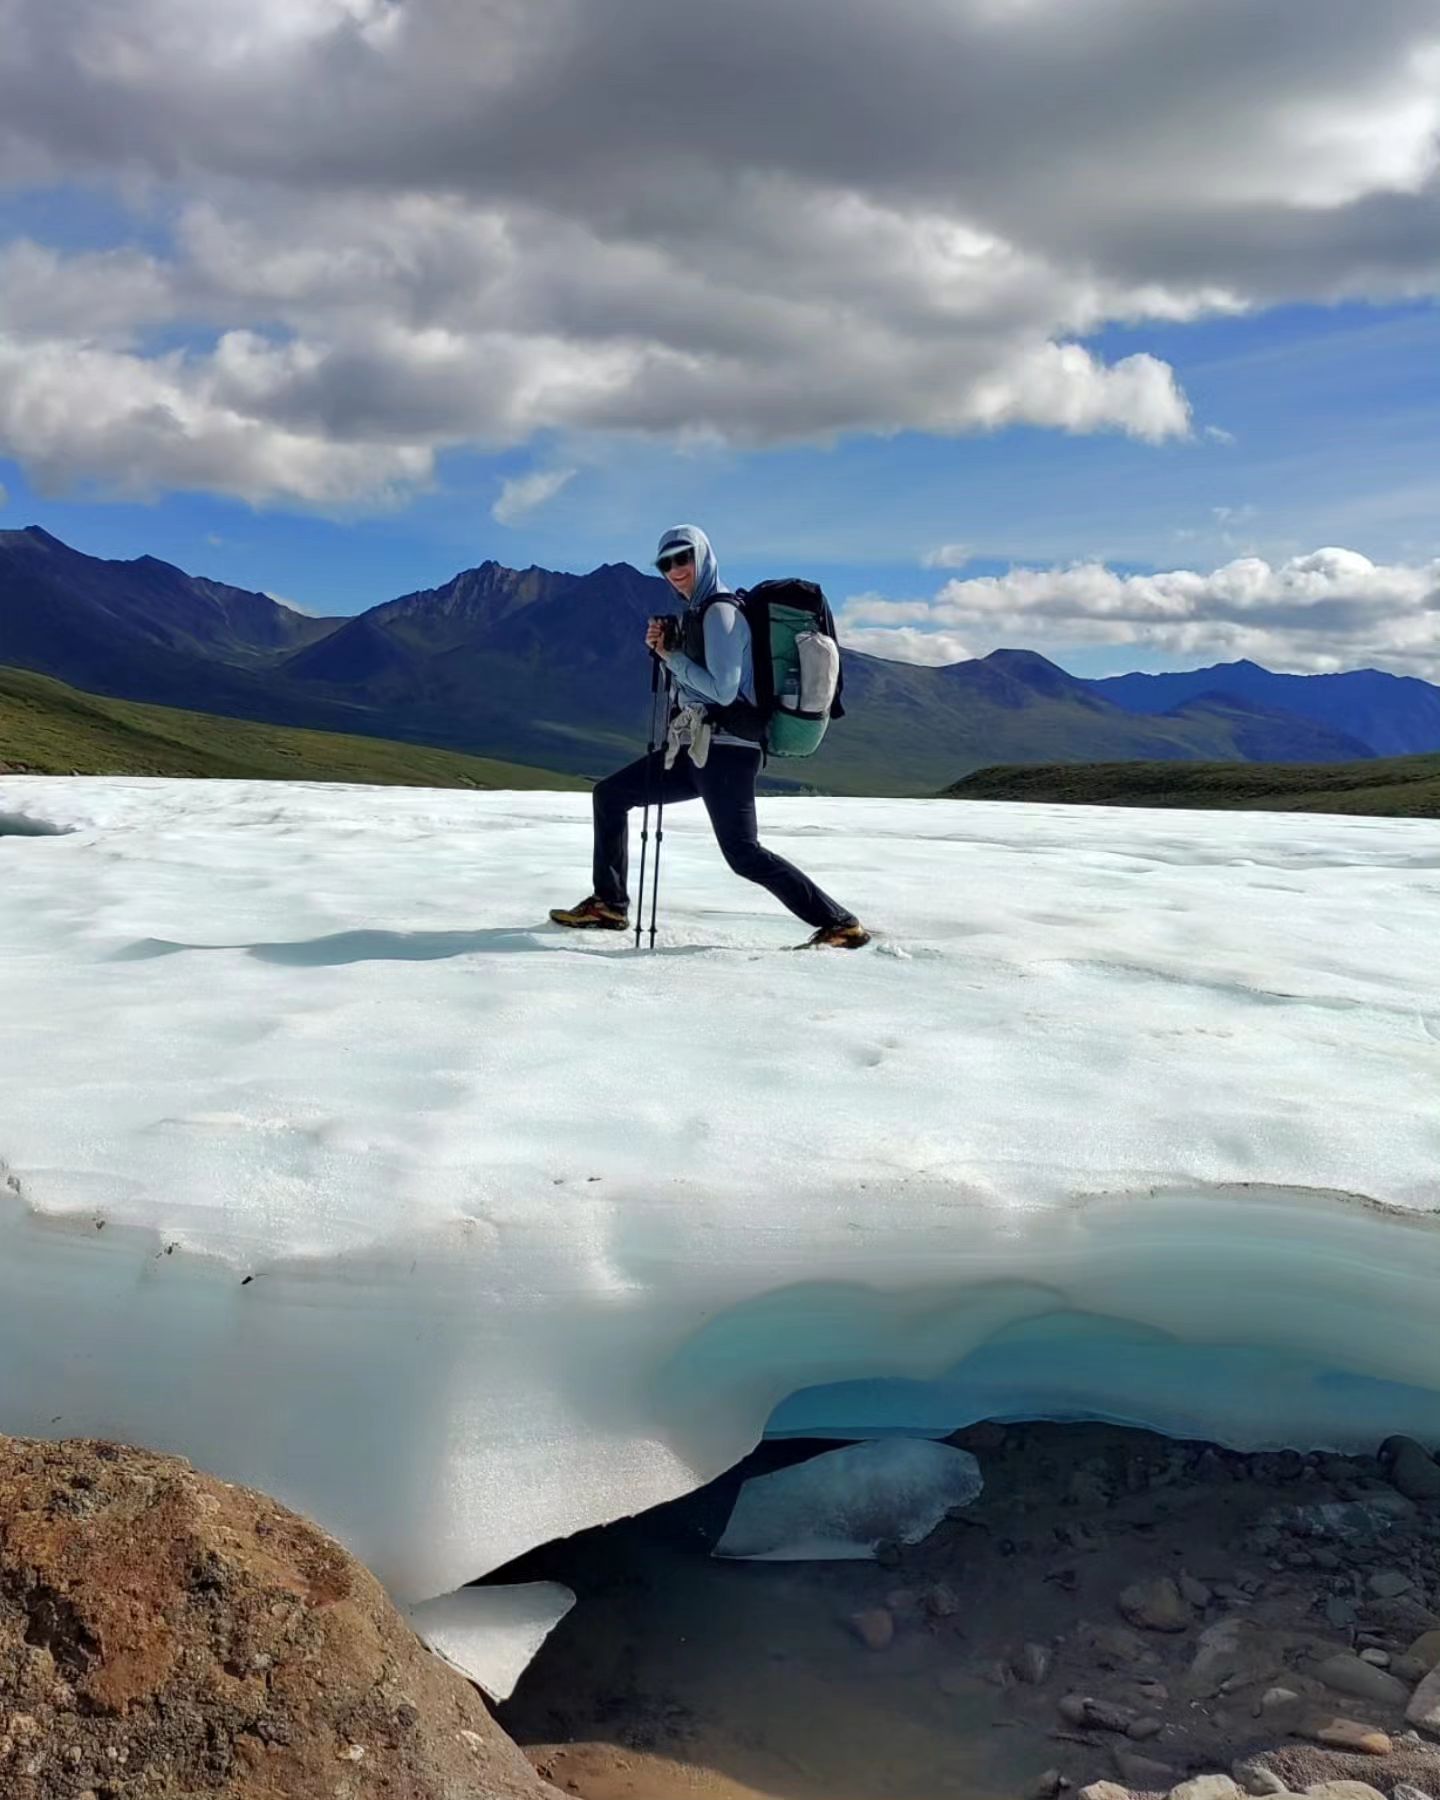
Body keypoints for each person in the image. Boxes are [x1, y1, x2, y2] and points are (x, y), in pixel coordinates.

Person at [550, 524, 871, 948]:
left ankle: (841, 924)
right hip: (699, 750)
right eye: (666, 563)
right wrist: (669, 654)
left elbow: (722, 690)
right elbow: (697, 685)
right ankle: (609, 904)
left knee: (743, 853)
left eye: (683, 558)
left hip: (727, 752)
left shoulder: (720, 613)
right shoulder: (700, 613)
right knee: (610, 795)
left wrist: (672, 657)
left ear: (702, 557)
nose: (675, 569)